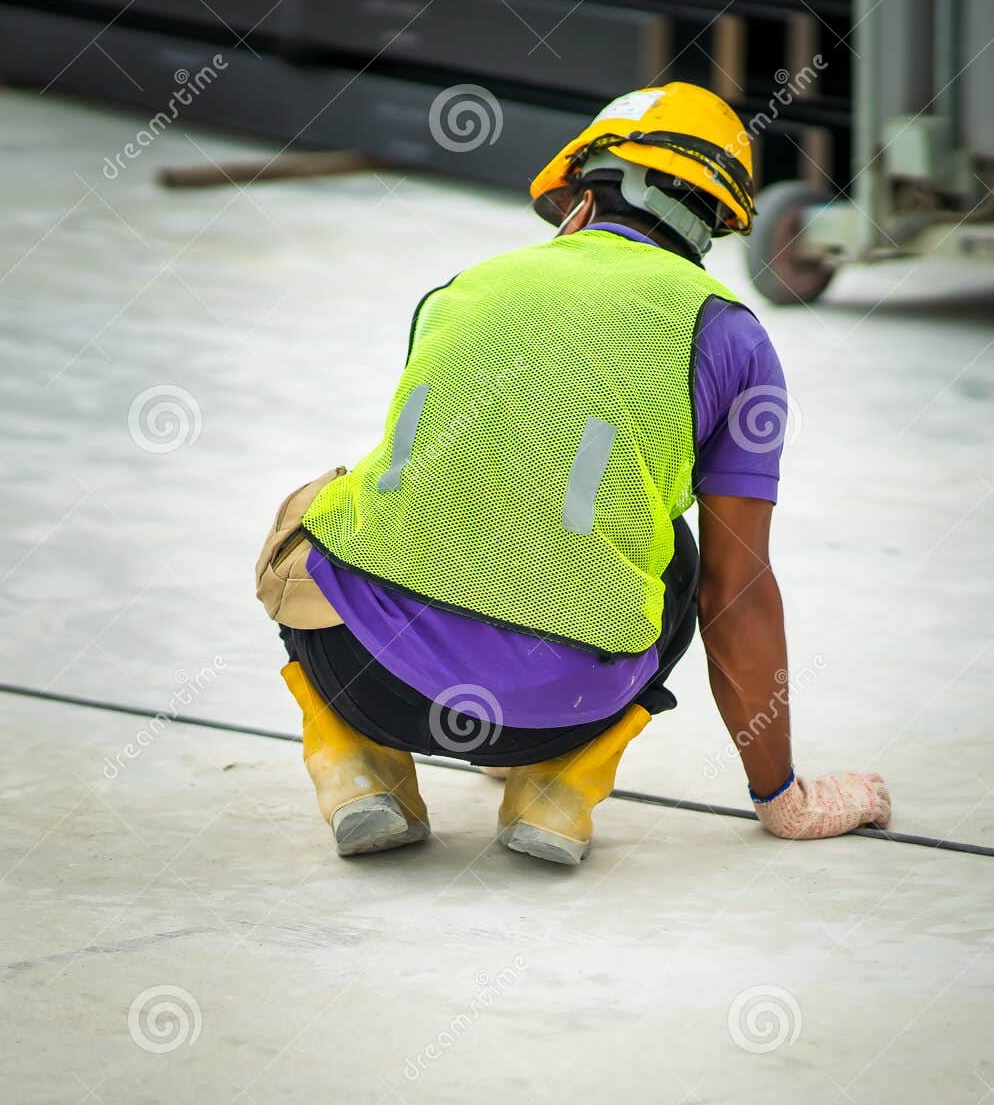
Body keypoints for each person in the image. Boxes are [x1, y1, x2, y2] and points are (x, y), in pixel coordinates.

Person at [258, 82, 890, 866]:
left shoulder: (463, 288)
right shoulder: (729, 335)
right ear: (712, 226)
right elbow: (738, 591)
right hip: (562, 708)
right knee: (684, 557)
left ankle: (361, 775)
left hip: (370, 679)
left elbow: (449, 485)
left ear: (581, 203)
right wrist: (782, 795)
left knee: (317, 511)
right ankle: (554, 792)